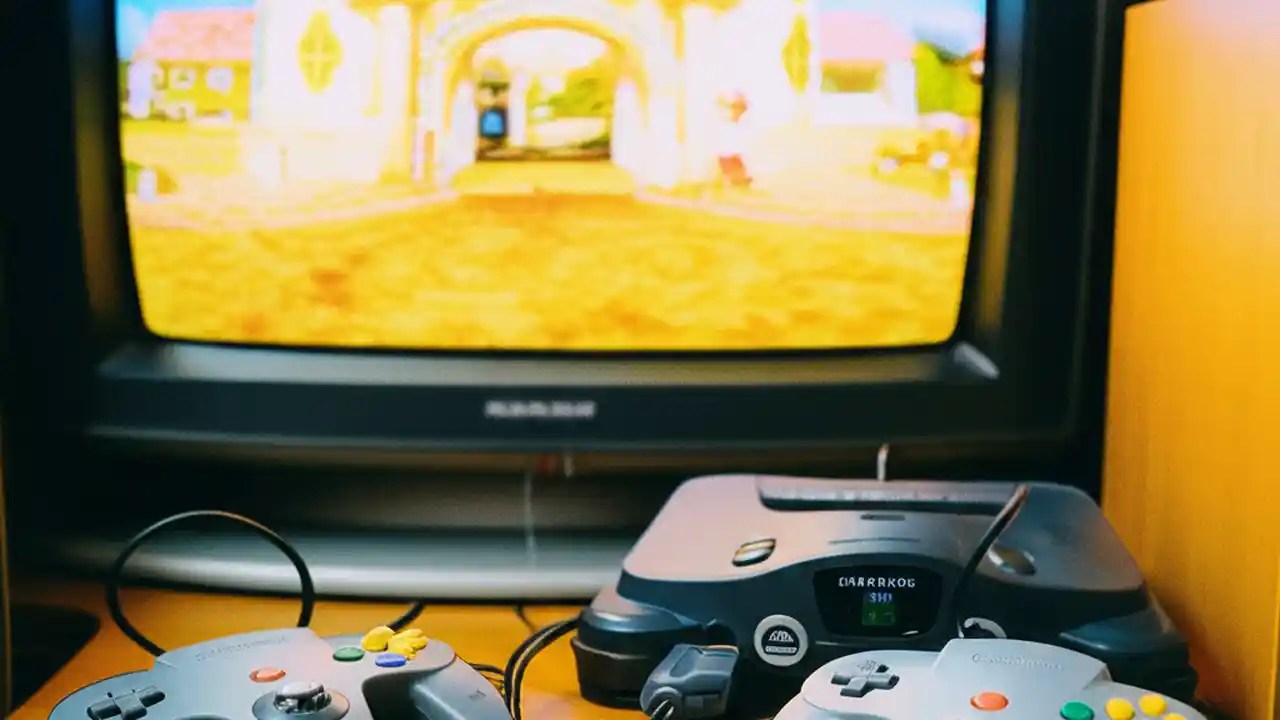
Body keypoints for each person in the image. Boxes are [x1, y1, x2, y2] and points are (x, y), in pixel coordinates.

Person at [715, 91, 752, 187]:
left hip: (734, 160)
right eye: (737, 108)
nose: (739, 112)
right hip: (728, 160)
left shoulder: (741, 126)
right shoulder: (724, 126)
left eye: (741, 109)